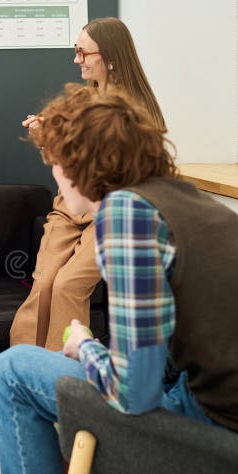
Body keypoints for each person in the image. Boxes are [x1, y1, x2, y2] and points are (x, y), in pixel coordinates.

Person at [0, 83, 238, 474]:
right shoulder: (187, 200)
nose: (53, 175)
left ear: (76, 166)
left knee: (13, 370)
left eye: (54, 164)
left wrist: (83, 346)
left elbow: (134, 393)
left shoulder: (125, 215)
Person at [10, 17, 166, 351]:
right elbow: (71, 160)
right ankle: (24, 366)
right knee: (44, 284)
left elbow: (128, 172)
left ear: (109, 55)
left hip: (109, 215)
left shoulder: (137, 112)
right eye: (76, 51)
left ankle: (65, 380)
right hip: (70, 211)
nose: (76, 59)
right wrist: (44, 136)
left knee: (67, 285)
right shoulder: (82, 100)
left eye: (83, 52)